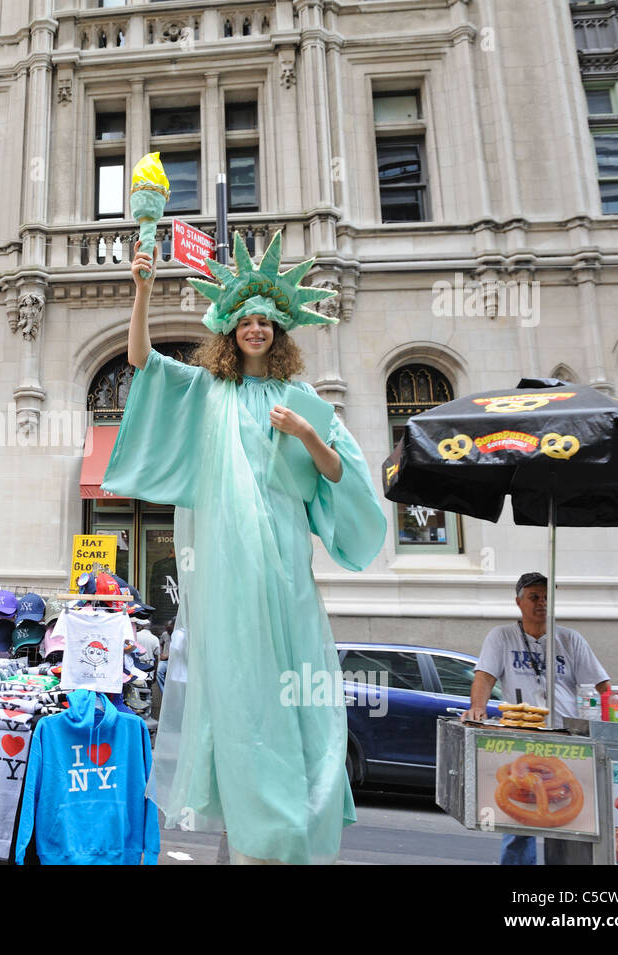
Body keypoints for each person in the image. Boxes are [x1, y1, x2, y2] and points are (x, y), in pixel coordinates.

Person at [101, 234, 387, 864]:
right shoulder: (207, 391)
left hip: (284, 561)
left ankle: (291, 812)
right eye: (246, 321)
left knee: (288, 676)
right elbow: (143, 360)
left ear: (280, 333)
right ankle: (248, 808)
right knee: (234, 679)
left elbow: (341, 477)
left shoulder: (302, 400)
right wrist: (143, 290)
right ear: (230, 331)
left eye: (267, 322)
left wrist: (307, 432)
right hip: (226, 561)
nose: (256, 329)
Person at [463, 571, 611, 865]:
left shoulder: (570, 639)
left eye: (547, 597)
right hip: (523, 738)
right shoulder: (501, 636)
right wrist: (477, 707)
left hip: (568, 738)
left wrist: (605, 722)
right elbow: (483, 678)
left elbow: (602, 687)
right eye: (534, 597)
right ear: (518, 602)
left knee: (569, 814)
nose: (542, 603)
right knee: (519, 818)